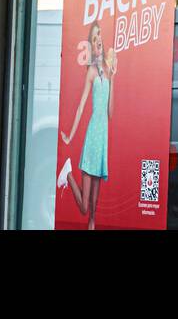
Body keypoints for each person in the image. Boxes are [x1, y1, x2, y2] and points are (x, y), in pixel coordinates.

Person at [58, 22, 116, 229]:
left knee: (93, 209)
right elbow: (81, 106)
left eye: (99, 34)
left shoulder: (109, 70)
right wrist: (70, 137)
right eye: (93, 38)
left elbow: (110, 113)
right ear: (91, 46)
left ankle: (92, 223)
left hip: (103, 138)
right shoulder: (91, 71)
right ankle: (68, 175)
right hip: (93, 137)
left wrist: (114, 79)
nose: (98, 39)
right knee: (84, 207)